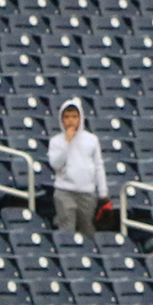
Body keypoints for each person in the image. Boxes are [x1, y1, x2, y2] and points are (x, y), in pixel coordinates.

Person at [48, 98, 108, 235]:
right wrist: (66, 142)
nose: (71, 120)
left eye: (74, 117)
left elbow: (99, 166)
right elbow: (55, 164)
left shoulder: (91, 140)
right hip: (64, 191)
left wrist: (103, 193)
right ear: (61, 119)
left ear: (80, 118)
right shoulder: (56, 141)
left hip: (87, 193)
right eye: (67, 117)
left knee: (87, 230)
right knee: (66, 228)